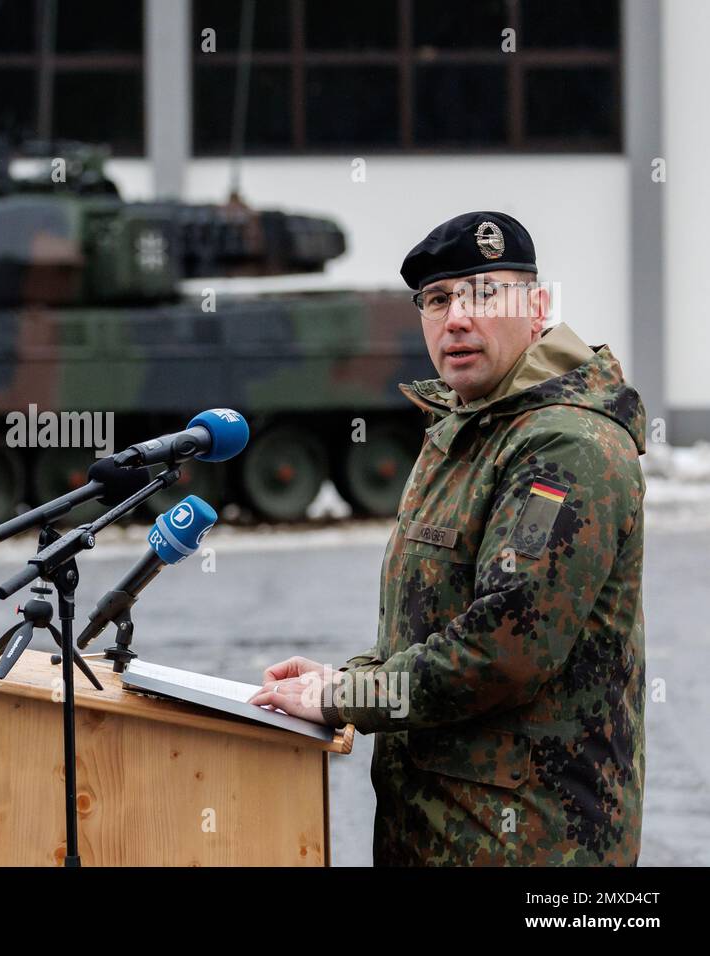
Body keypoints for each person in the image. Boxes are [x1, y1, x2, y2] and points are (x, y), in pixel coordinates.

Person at [249, 211, 646, 865]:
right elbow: (440, 622)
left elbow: (507, 649)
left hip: (527, 839)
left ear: (538, 307)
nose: (457, 317)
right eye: (437, 300)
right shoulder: (466, 427)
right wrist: (357, 675)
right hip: (446, 828)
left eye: (485, 293)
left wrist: (348, 698)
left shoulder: (564, 446)